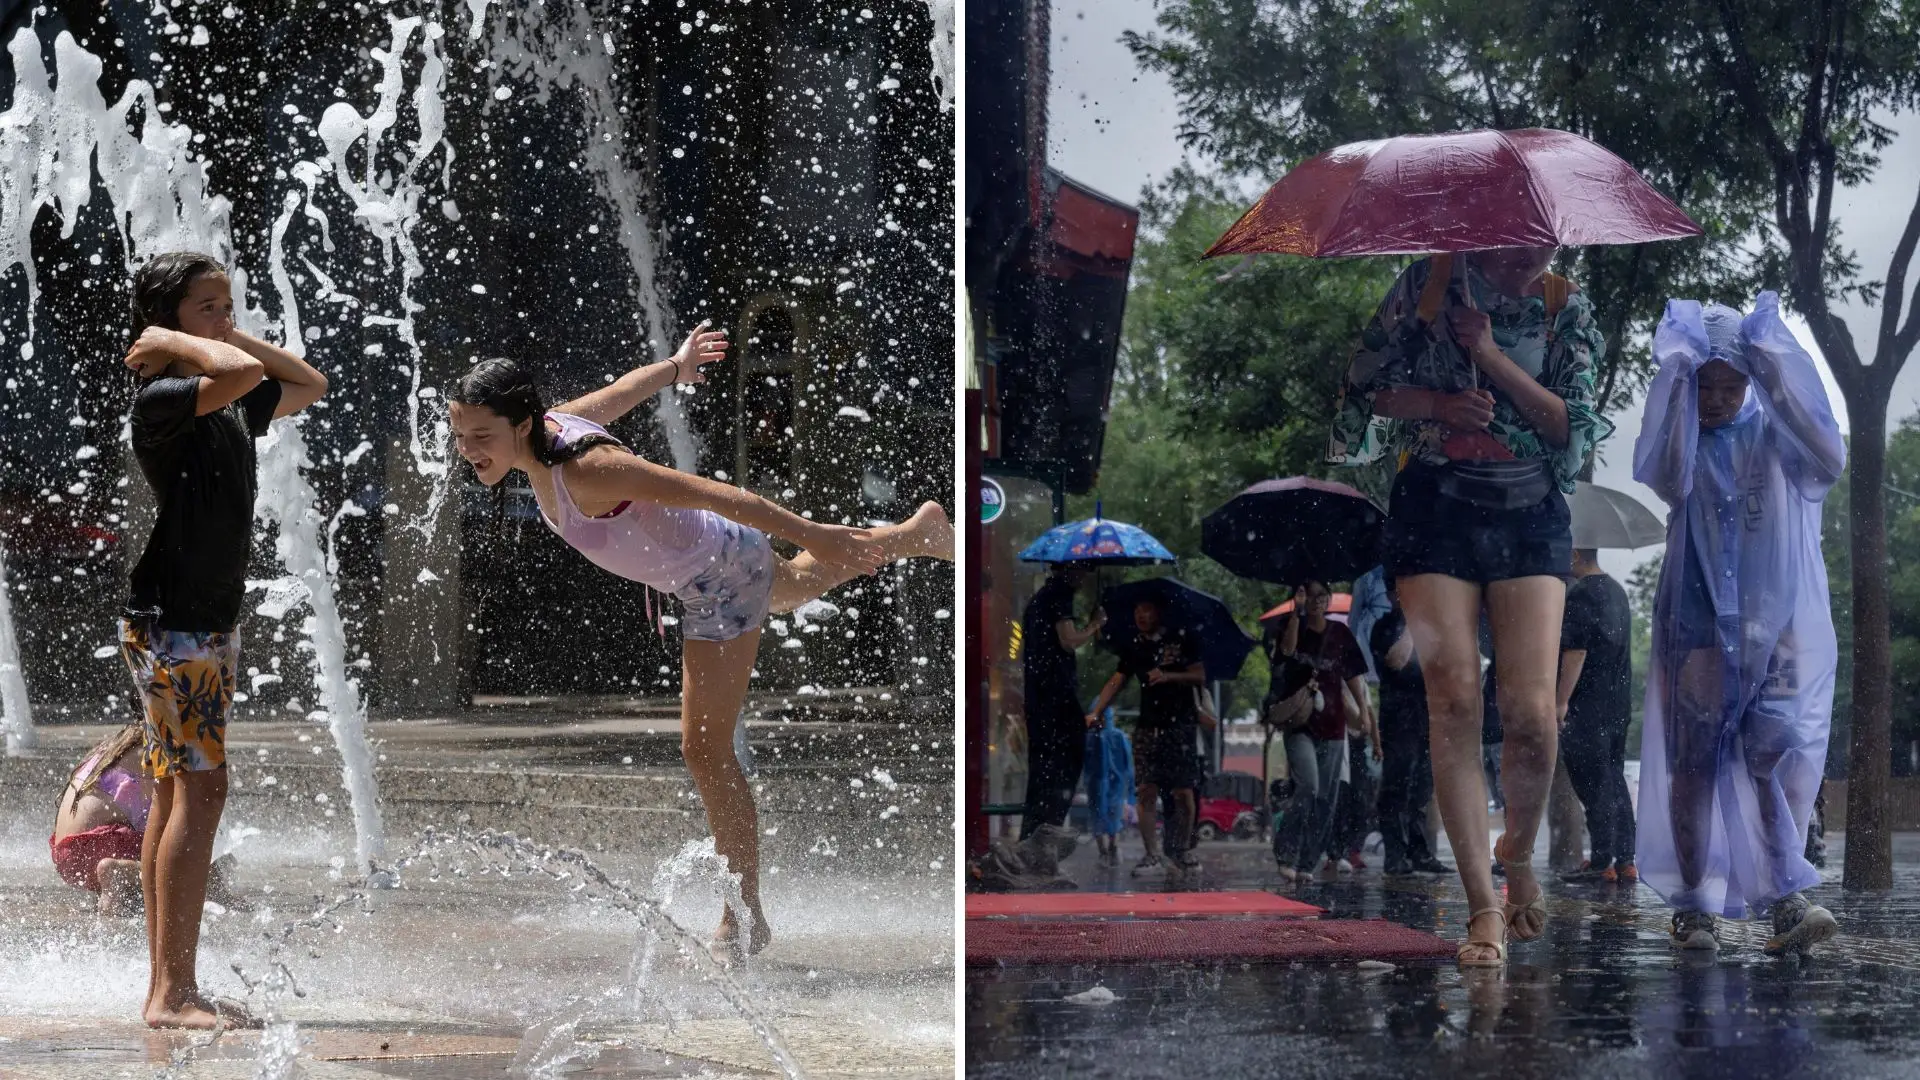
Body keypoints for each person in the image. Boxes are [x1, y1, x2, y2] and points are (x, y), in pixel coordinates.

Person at [447, 336, 953, 960]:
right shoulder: (545, 434)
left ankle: (744, 917)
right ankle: (912, 533)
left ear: (520, 424)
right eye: (459, 433)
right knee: (789, 587)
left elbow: (718, 494)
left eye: (480, 436)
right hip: (716, 564)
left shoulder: (588, 470)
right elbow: (619, 394)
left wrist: (815, 533)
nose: (467, 450)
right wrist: (675, 369)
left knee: (705, 748)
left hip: (718, 577)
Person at [1330, 247, 1613, 966]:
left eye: (1546, 239)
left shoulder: (1562, 302)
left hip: (1529, 515)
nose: (1535, 251)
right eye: (1524, 237)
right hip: (1434, 509)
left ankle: (1517, 854)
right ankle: (1482, 907)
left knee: (1531, 714)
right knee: (1451, 697)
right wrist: (1437, 404)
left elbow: (1566, 427)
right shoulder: (1426, 286)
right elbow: (1366, 388)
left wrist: (1487, 353)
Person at [120, 251, 330, 1027]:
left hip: (199, 621)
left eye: (228, 303)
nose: (227, 319)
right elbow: (236, 372)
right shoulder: (166, 399)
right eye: (208, 305)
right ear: (167, 321)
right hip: (173, 623)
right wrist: (178, 344)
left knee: (179, 788)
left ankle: (166, 985)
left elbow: (309, 383)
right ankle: (172, 993)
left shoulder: (227, 400)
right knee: (202, 789)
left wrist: (215, 333)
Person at [1632, 294, 1844, 956]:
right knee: (1694, 759)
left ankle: (1783, 898)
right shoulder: (1685, 442)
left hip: (1770, 625)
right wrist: (1676, 383)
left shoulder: (1776, 436)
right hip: (1696, 620)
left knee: (1768, 756)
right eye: (1706, 385)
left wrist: (1776, 371)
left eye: (1732, 385)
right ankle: (1695, 908)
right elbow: (1664, 475)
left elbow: (1828, 457)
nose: (1718, 398)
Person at [50, 724, 244, 916]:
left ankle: (116, 883)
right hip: (99, 849)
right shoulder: (155, 746)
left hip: (66, 855)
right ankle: (119, 872)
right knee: (183, 849)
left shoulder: (115, 745)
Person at [1084, 596, 1205, 879]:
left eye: (1147, 607)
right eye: (1138, 608)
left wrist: (1167, 675)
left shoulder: (1182, 638)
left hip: (1181, 728)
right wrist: (1097, 710)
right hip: (1147, 728)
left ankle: (1183, 849)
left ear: (1159, 611)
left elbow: (1199, 674)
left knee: (1184, 795)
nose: (1141, 614)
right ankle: (1152, 855)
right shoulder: (1135, 646)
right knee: (1146, 790)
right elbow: (1117, 679)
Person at [1266, 581, 1374, 883]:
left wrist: (1364, 712)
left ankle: (1307, 863)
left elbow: (1353, 675)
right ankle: (1286, 852)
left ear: (1327, 599)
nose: (1315, 601)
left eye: (1320, 596)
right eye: (1308, 596)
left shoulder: (1340, 634)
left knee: (1326, 799)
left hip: (1333, 725)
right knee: (1308, 787)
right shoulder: (1291, 626)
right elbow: (1285, 653)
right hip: (1299, 723)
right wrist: (1295, 613)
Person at [1556, 548, 1638, 884]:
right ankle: (1625, 859)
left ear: (1574, 553)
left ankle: (1603, 859)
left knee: (1592, 783)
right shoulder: (1617, 591)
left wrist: (1560, 702)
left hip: (1587, 706)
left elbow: (1576, 652)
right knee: (1613, 778)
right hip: (1618, 704)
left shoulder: (1581, 595)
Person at [1370, 579, 1452, 876]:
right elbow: (1396, 660)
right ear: (1392, 595)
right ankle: (1395, 853)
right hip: (1397, 717)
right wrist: (1411, 628)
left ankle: (1421, 851)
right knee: (1396, 786)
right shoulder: (1383, 627)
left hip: (1428, 716)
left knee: (1422, 789)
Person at [1020, 564, 1106, 839]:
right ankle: (1048, 826)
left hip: (1040, 692)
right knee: (1066, 755)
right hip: (1054, 691)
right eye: (1084, 569)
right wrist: (1094, 626)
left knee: (1045, 762)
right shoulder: (1059, 594)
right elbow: (1068, 640)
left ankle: (1037, 828)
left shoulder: (1042, 597)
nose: (1086, 576)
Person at [1082, 706, 1136, 868]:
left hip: (1103, 784)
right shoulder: (1116, 736)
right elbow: (1128, 764)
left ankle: (1106, 851)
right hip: (1109, 784)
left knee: (1102, 818)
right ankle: (1109, 849)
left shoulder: (1092, 737)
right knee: (1109, 817)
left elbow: (1085, 762)